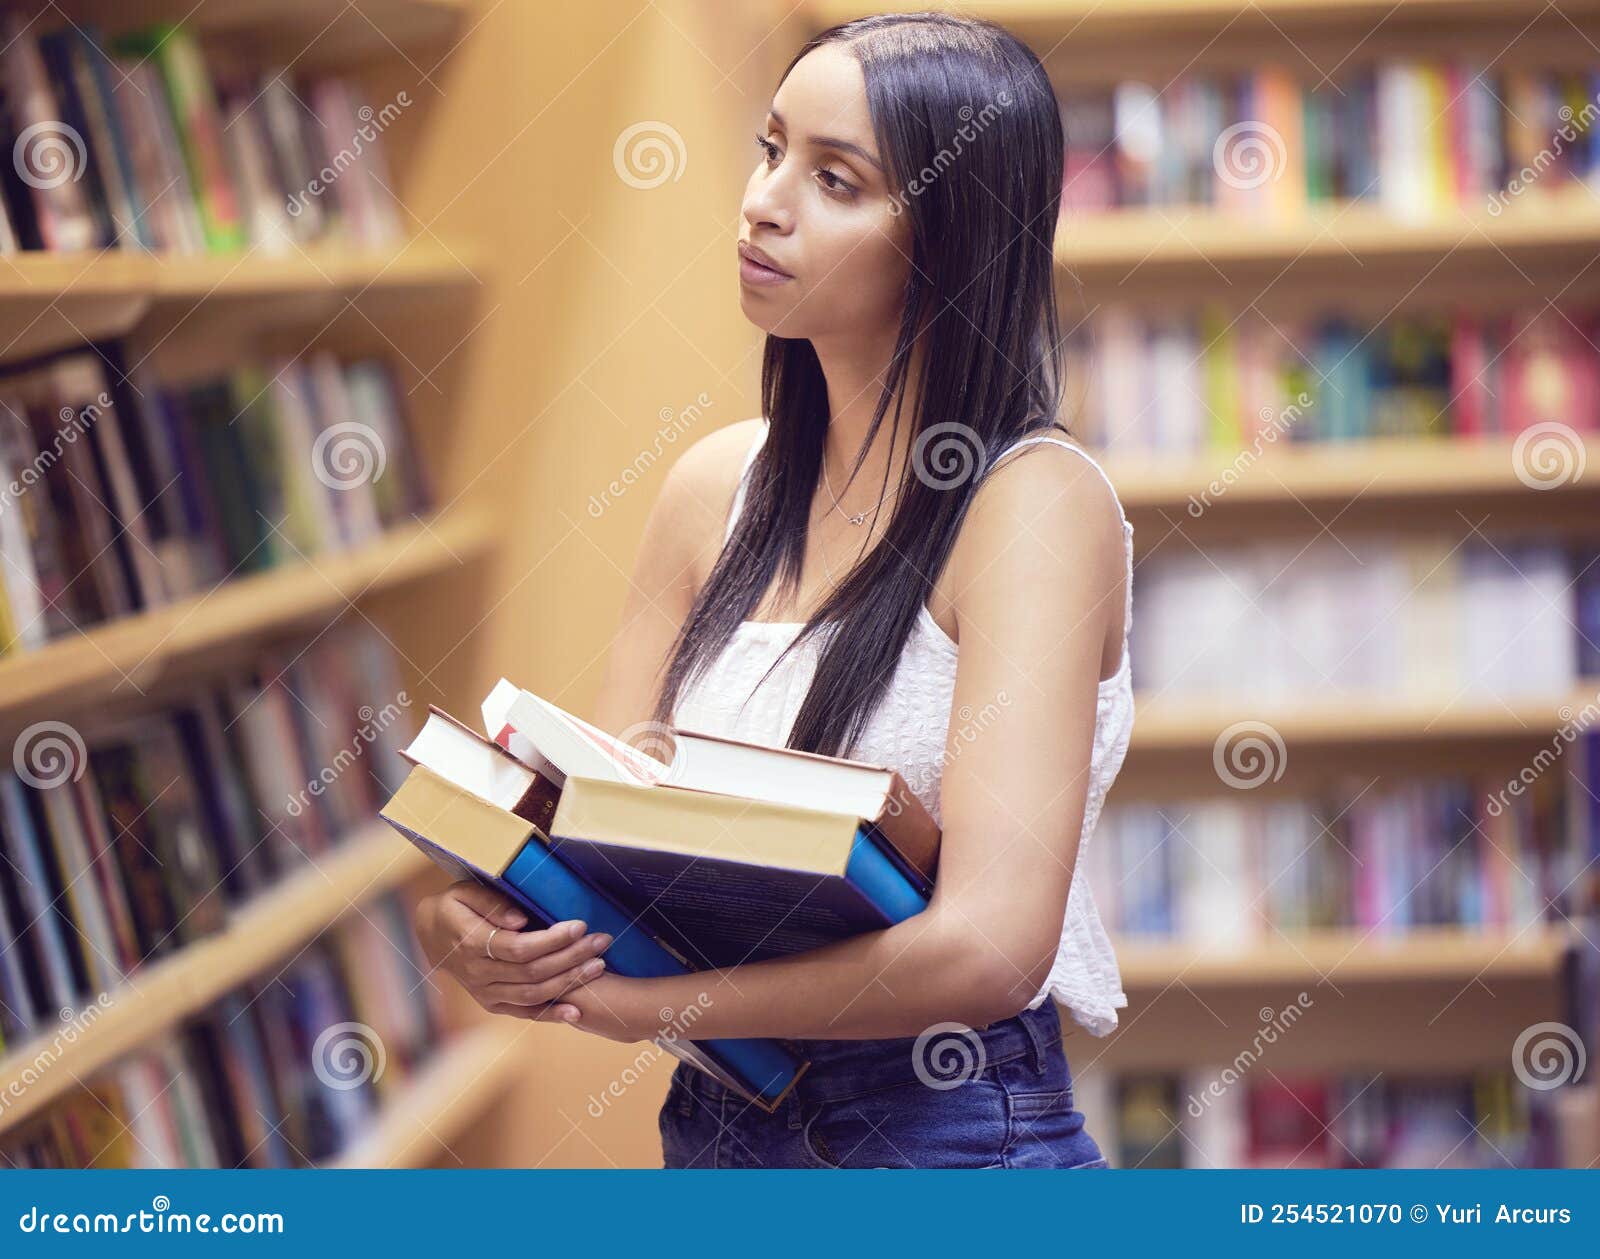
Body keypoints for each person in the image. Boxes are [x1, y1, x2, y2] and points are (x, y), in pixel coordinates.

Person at [414, 10, 1134, 1169]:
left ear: (950, 238)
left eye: (835, 179)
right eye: (769, 150)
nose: (763, 200)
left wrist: (657, 1010)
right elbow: (602, 823)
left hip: (942, 1134)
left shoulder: (1031, 505)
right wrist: (474, 929)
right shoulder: (712, 489)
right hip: (718, 1128)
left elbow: (992, 947)